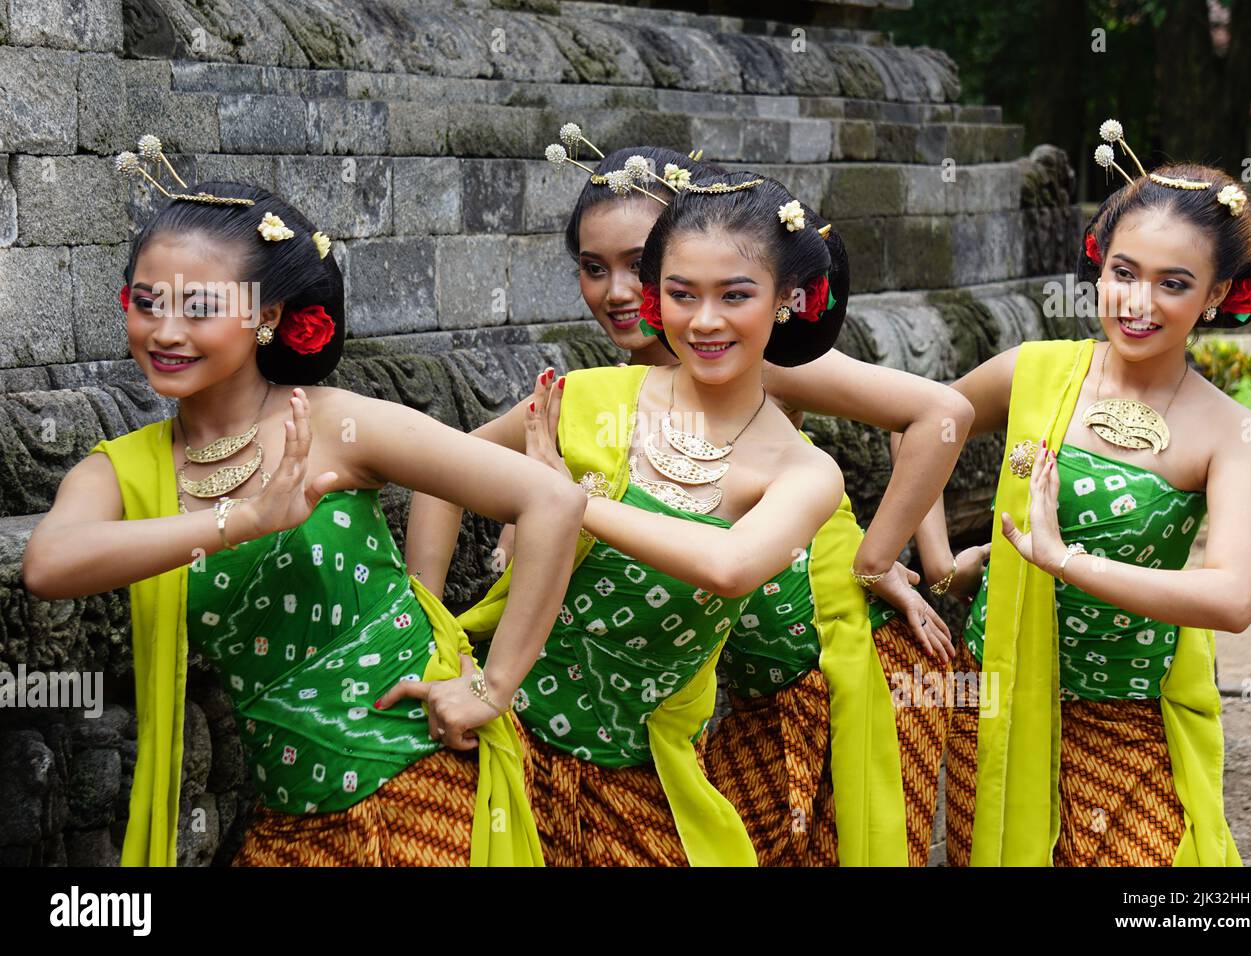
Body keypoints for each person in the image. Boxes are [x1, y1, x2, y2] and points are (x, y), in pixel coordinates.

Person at [409, 135, 974, 865]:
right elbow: (432, 462)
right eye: (676, 290)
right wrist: (434, 634)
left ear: (782, 301)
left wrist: (882, 561)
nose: (703, 318)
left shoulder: (788, 431)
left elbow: (933, 420)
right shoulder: (585, 400)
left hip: (810, 677)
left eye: (735, 294)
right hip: (536, 737)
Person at [21, 138, 586, 867]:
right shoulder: (124, 470)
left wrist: (492, 685)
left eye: (199, 308)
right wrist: (245, 521)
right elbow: (48, 564)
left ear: (267, 316)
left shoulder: (331, 423)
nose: (164, 331)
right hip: (290, 815)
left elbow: (552, 501)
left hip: (422, 784)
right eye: (148, 303)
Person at [910, 122, 1251, 866]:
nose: (1137, 303)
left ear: (1217, 294)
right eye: (1122, 272)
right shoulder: (1035, 370)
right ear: (1098, 269)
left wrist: (1062, 559)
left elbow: (1233, 598)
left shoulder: (1230, 432)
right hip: (999, 693)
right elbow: (923, 424)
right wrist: (938, 561)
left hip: (1128, 714)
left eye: (1173, 283)